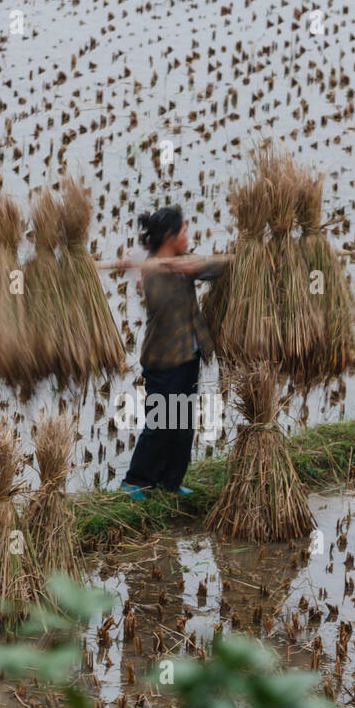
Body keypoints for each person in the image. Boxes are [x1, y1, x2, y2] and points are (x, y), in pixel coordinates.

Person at [117, 206, 227, 499]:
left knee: (183, 424)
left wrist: (191, 266)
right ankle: (135, 481)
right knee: (161, 422)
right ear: (170, 235)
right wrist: (163, 267)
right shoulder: (152, 270)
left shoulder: (183, 262)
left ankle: (169, 481)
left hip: (189, 357)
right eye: (183, 231)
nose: (187, 235)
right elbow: (159, 299)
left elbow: (219, 267)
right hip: (164, 360)